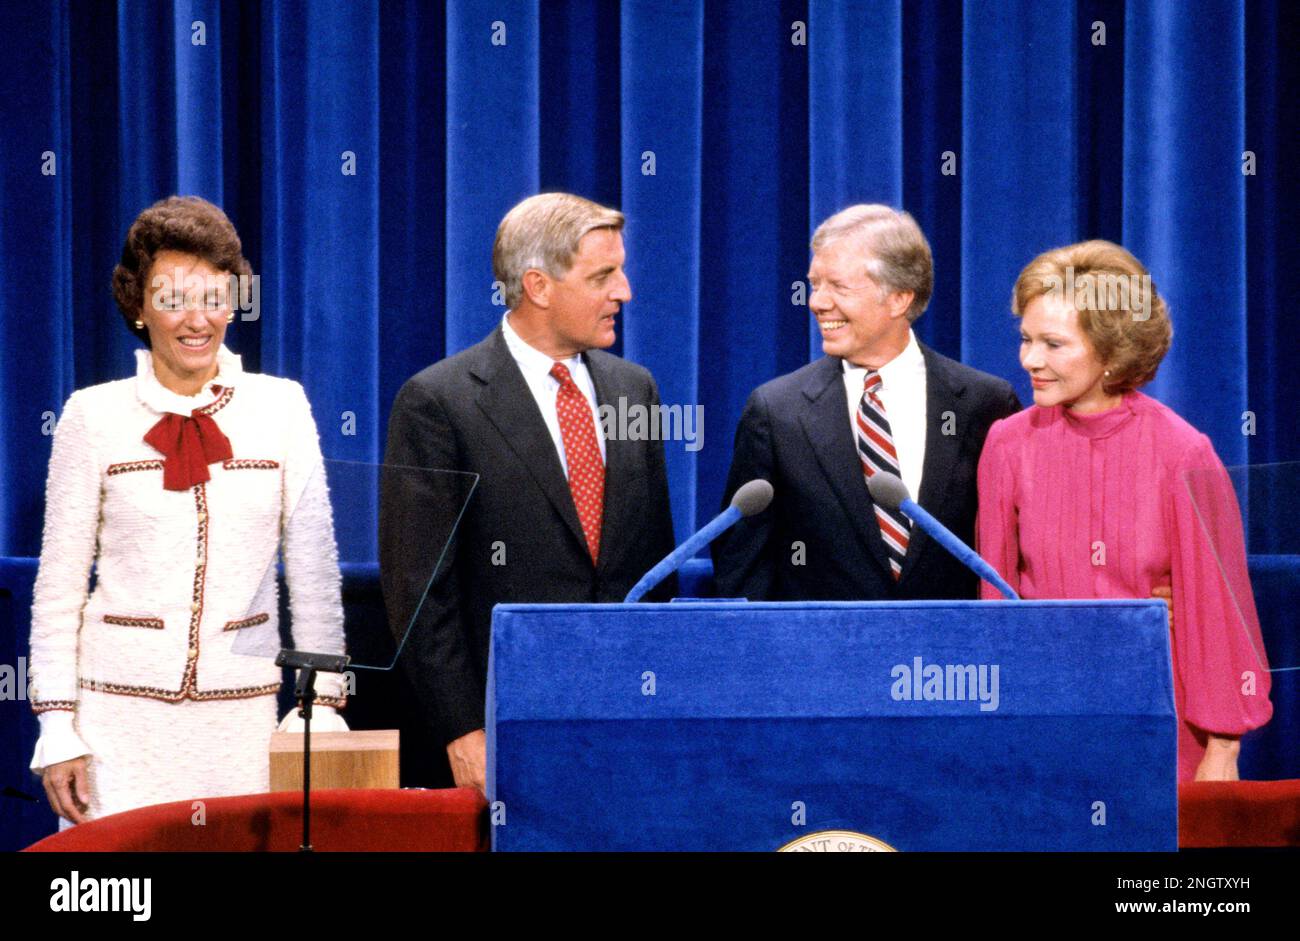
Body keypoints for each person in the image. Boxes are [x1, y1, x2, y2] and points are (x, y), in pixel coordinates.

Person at [29, 196, 347, 826]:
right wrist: (57, 725)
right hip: (116, 729)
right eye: (172, 297)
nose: (195, 318)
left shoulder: (282, 408)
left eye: (212, 295)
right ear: (139, 306)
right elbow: (59, 588)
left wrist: (324, 699)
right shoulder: (91, 417)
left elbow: (315, 573)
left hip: (244, 727)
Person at [381, 192, 677, 794]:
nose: (625, 291)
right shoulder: (440, 403)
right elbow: (420, 591)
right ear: (538, 286)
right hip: (506, 726)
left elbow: (655, 559)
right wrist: (461, 729)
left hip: (630, 720)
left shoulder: (633, 389)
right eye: (604, 276)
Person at [977, 239, 1272, 781]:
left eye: (1053, 344)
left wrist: (1222, 751)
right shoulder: (1006, 443)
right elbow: (994, 599)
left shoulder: (1185, 453)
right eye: (1026, 339)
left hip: (1158, 727)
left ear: (1112, 353)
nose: (1029, 360)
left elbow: (1219, 614)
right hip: (1043, 726)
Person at [712, 204, 1020, 600]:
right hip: (822, 656)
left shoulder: (984, 403)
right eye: (814, 284)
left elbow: (1008, 551)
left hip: (950, 654)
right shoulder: (777, 411)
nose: (817, 302)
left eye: (838, 287)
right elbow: (743, 565)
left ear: (899, 298)